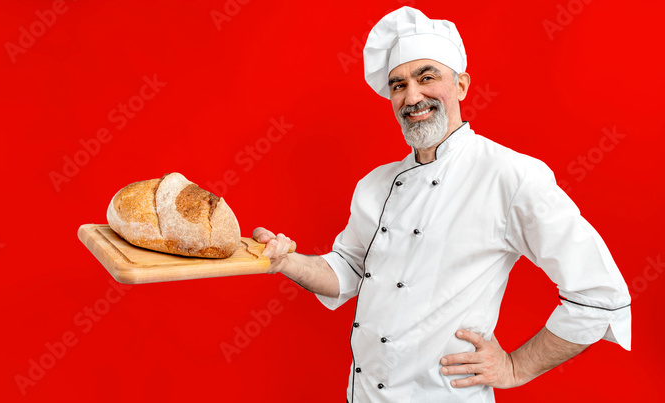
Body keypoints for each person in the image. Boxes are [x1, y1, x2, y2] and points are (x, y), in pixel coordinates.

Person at [252, 7, 631, 403]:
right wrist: (285, 261)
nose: (412, 96)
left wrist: (517, 367)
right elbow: (349, 271)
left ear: (462, 85)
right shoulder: (375, 185)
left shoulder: (510, 175)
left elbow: (599, 295)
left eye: (427, 77)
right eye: (398, 84)